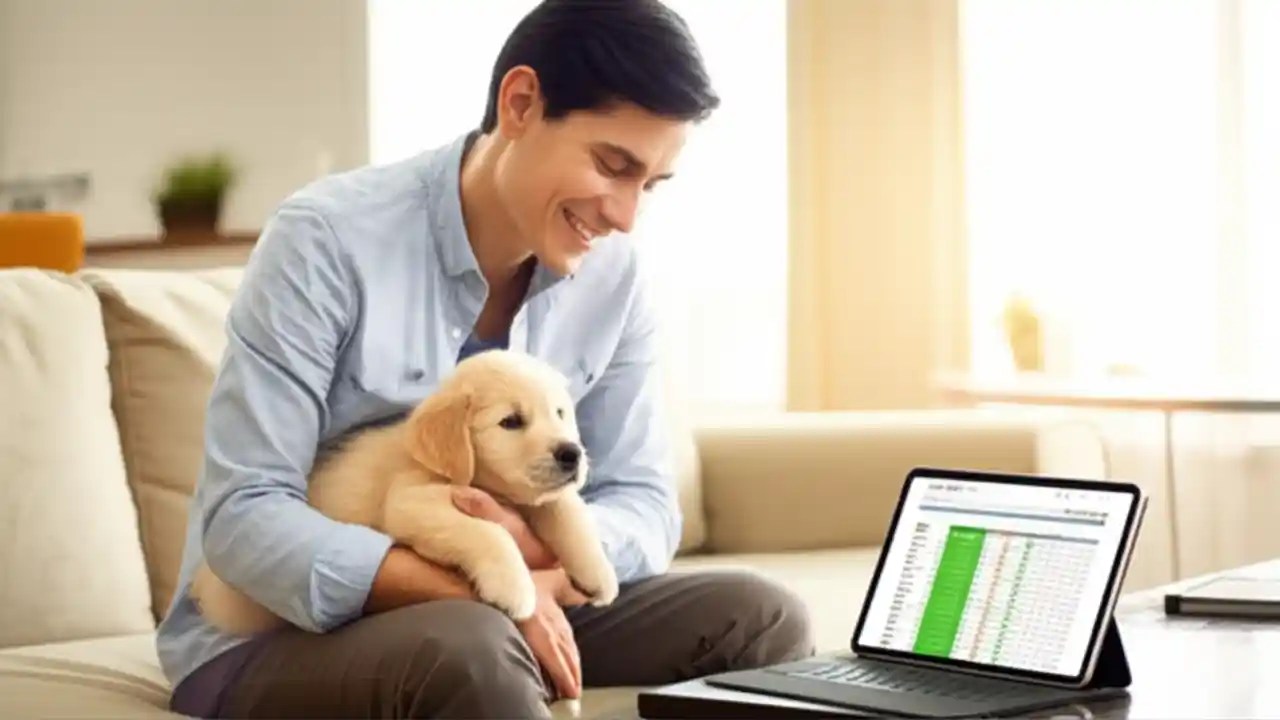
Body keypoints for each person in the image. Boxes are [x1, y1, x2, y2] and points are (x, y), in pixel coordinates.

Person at [158, 0, 814, 717]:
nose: (626, 215)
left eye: (649, 185)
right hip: (280, 632)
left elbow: (644, 504)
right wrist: (485, 582)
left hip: (513, 593)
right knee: (472, 645)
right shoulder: (326, 242)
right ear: (522, 103)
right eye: (612, 166)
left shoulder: (613, 276)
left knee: (762, 615)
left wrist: (538, 574)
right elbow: (245, 517)